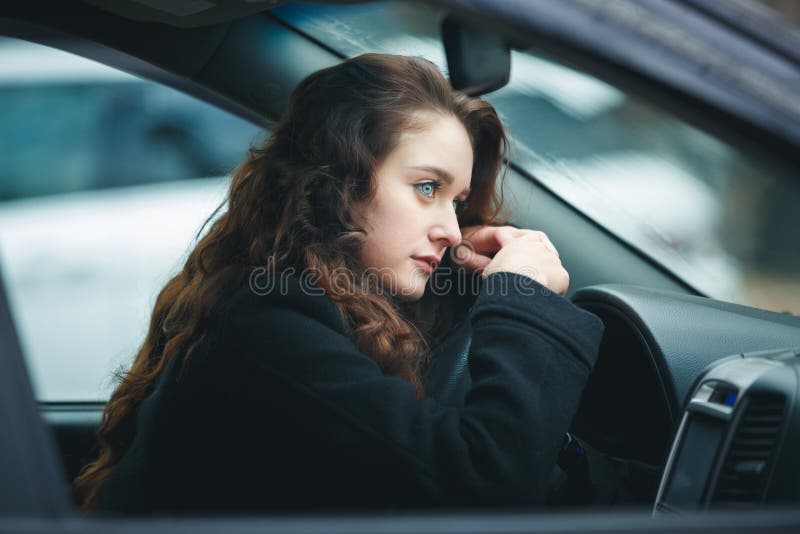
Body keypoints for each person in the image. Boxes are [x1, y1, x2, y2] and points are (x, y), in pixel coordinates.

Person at [74, 53, 604, 514]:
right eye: (426, 187)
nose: (448, 228)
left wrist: (472, 283)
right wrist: (523, 299)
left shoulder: (338, 306)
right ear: (339, 183)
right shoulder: (264, 325)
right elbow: (482, 482)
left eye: (456, 201)